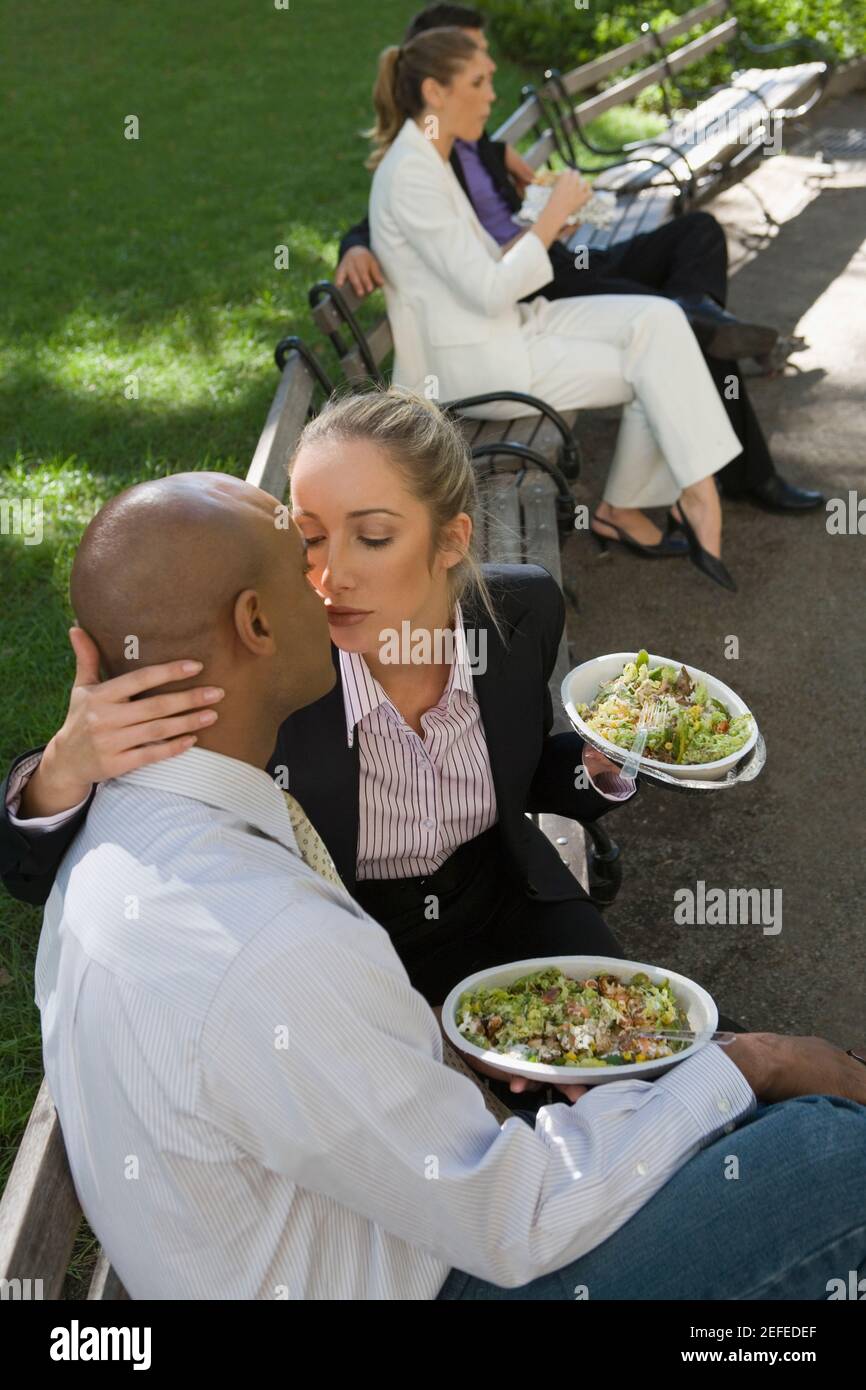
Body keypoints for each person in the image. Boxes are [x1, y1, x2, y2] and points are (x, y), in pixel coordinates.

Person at [31, 467, 866, 1299]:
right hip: (443, 1264)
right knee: (830, 1151)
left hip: (373, 1197)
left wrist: (428, 1046)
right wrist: (759, 1063)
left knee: (712, 1092)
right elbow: (517, 1215)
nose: (326, 582)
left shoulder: (125, 821)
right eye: (302, 557)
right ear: (255, 622)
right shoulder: (266, 939)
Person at [3, 391, 640, 1016]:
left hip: (509, 899)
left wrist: (600, 766)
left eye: (373, 537)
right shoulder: (277, 668)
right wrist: (63, 766)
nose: (331, 577)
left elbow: (522, 770)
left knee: (654, 1044)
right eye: (308, 538)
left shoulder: (521, 613)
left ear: (450, 540)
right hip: (351, 945)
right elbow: (30, 871)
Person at [336, 3, 824, 515]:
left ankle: (701, 311)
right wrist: (357, 245)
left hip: (563, 256)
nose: (490, 82)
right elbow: (394, 218)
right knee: (671, 331)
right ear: (434, 81)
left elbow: (493, 212)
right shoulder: (425, 153)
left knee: (697, 235)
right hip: (536, 285)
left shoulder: (474, 145)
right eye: (476, 68)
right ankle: (741, 458)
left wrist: (550, 206)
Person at [367, 27, 744, 587]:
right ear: (434, 91)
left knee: (660, 319)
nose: (492, 95)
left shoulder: (428, 156)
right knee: (657, 368)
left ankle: (688, 491)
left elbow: (481, 266)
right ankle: (676, 500)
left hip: (507, 328)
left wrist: (546, 229)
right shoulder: (411, 173)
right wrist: (548, 220)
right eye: (479, 82)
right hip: (476, 364)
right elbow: (489, 289)